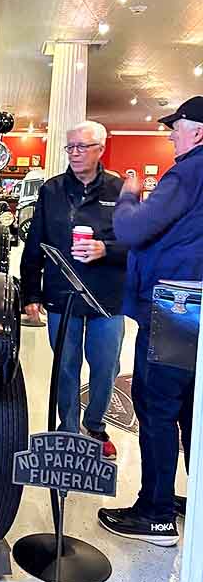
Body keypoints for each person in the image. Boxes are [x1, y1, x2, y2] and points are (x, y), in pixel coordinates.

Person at [98, 97, 203, 546]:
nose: (170, 134)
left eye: (175, 126)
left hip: (177, 305)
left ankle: (156, 515)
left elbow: (133, 229)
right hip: (191, 305)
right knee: (187, 408)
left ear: (197, 130)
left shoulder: (188, 172)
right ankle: (188, 503)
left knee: (157, 405)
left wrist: (129, 194)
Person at [20, 120, 127, 458]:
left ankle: (94, 425)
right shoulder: (51, 190)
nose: (75, 153)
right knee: (65, 366)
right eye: (70, 147)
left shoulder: (120, 190)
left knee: (105, 365)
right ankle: (67, 429)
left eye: (83, 146)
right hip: (61, 296)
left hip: (106, 298)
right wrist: (30, 294)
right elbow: (35, 242)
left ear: (100, 149)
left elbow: (137, 244)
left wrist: (105, 250)